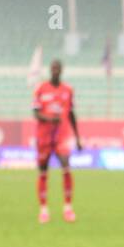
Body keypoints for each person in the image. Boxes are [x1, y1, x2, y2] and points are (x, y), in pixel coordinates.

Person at [32, 59, 80, 224]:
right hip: (44, 136)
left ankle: (68, 208)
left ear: (61, 70)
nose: (55, 71)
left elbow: (72, 114)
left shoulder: (68, 90)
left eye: (57, 68)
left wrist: (78, 137)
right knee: (43, 171)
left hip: (62, 136)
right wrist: (50, 119)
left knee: (66, 167)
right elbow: (36, 113)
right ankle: (44, 209)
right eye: (53, 68)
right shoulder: (41, 89)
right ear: (49, 70)